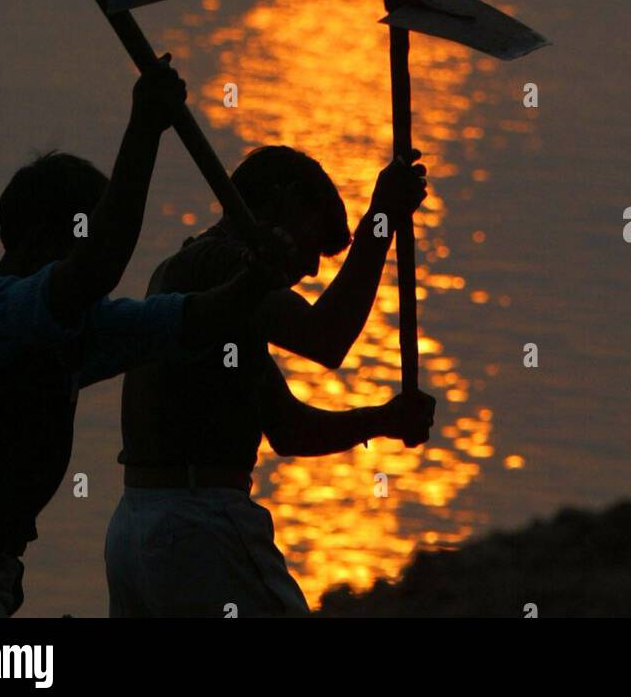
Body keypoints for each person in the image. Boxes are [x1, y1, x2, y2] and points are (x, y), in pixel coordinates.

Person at [0, 58, 290, 617]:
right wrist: (145, 127)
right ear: (39, 239)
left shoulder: (73, 328)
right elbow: (99, 264)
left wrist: (256, 279)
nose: (89, 254)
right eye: (82, 234)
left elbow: (186, 321)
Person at [105, 145, 436, 618]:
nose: (312, 269)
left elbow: (287, 429)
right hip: (199, 525)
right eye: (314, 242)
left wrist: (381, 419)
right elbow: (326, 338)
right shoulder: (221, 265)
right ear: (285, 202)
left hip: (137, 533)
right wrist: (381, 217)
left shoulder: (203, 282)